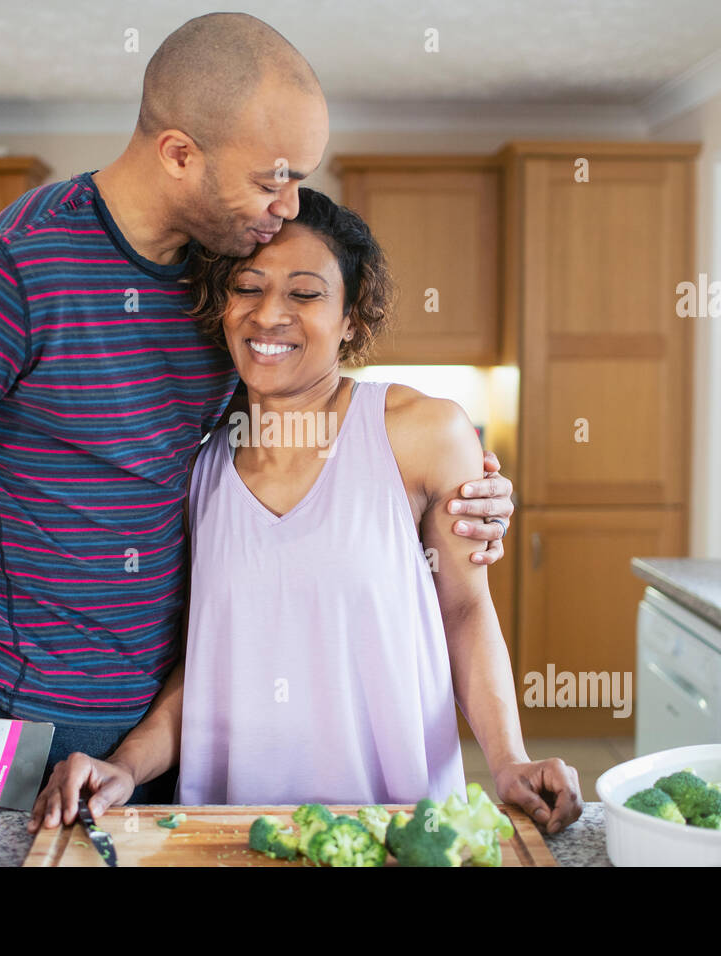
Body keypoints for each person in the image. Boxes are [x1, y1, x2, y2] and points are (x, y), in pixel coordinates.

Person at [0, 13, 514, 801]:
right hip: (29, 714)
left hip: (182, 715)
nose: (288, 205)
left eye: (297, 179)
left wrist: (464, 492)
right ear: (179, 153)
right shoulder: (11, 274)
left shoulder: (222, 273)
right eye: (271, 179)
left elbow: (307, 422)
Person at [30, 188, 584, 836]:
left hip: (396, 827)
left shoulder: (421, 433)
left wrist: (509, 759)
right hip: (229, 831)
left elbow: (464, 611)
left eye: (304, 293)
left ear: (352, 316)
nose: (270, 314)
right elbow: (207, 665)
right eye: (248, 287)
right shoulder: (199, 465)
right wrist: (123, 765)